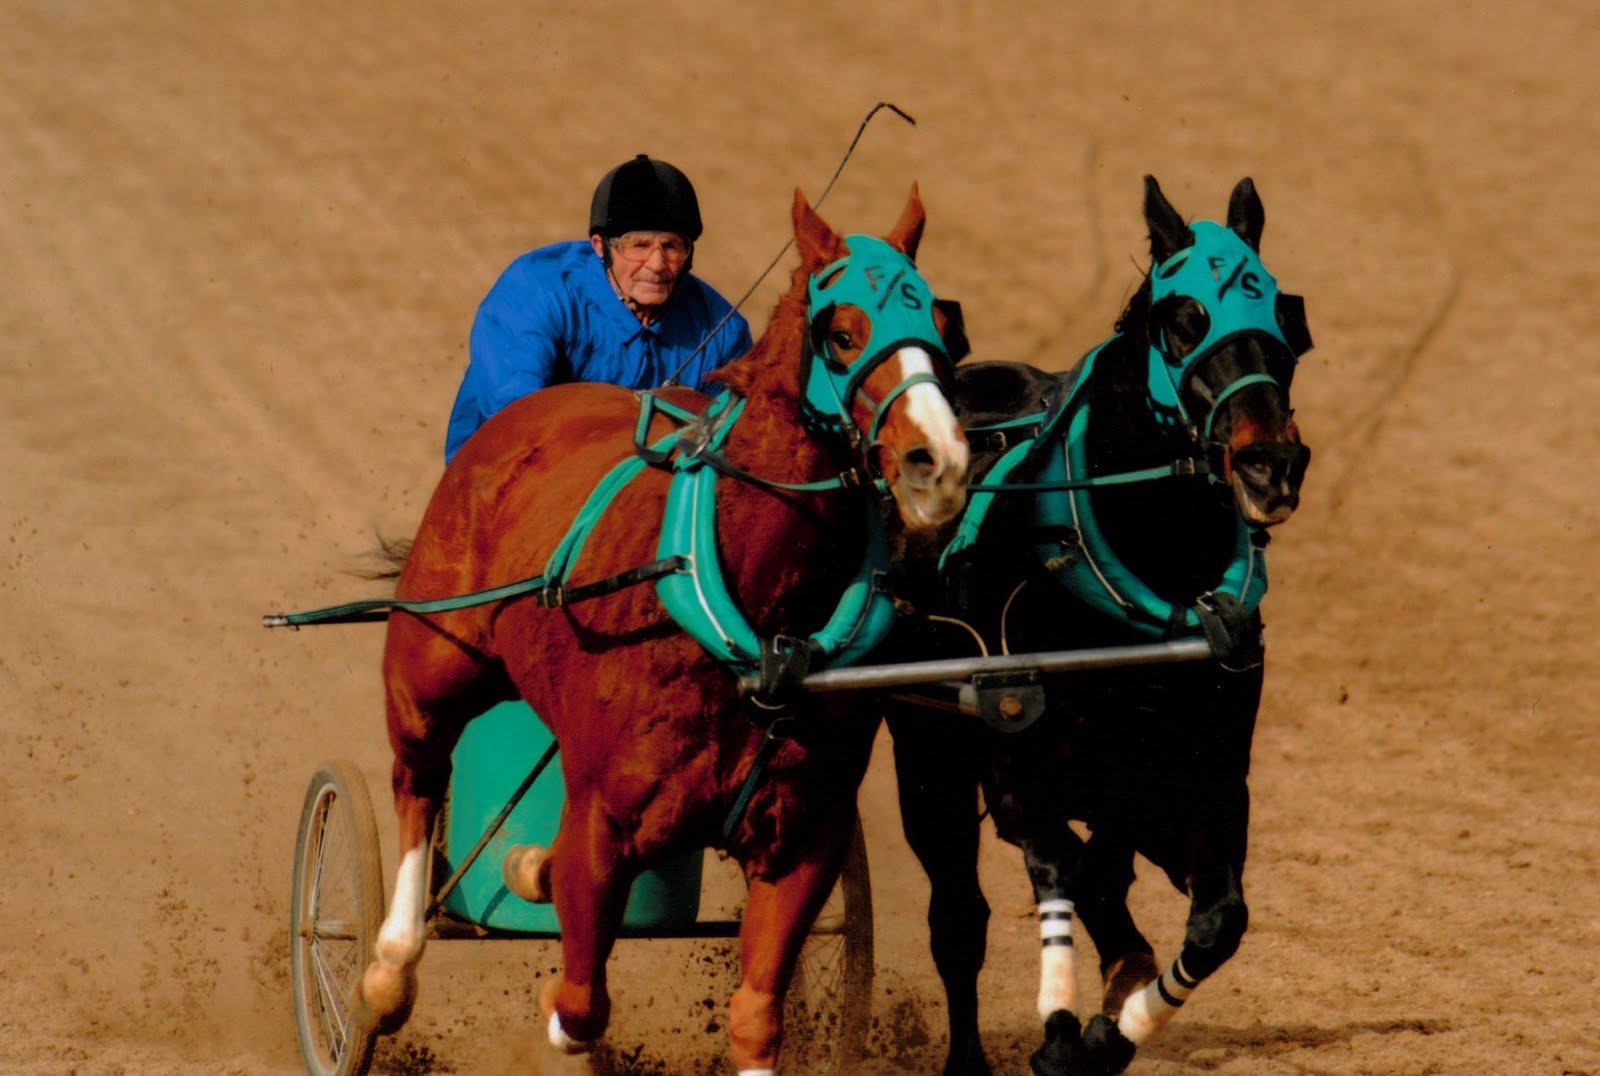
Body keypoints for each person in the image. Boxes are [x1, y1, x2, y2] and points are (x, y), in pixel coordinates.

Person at [444, 154, 754, 464]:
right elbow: (518, 416)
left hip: (647, 493)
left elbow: (733, 447)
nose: (657, 264)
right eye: (639, 245)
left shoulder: (724, 332)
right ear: (599, 247)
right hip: (516, 471)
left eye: (672, 246)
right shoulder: (534, 290)